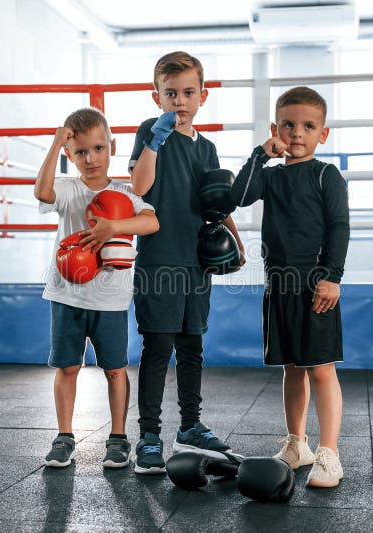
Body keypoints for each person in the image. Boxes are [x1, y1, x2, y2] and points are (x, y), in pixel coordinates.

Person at [128, 51, 246, 474]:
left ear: (203, 96)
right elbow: (139, 188)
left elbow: (216, 199)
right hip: (159, 260)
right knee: (158, 348)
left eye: (188, 92)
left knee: (192, 346)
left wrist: (234, 231)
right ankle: (148, 436)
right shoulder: (149, 131)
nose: (180, 100)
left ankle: (191, 426)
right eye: (171, 93)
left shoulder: (208, 147)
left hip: (195, 263)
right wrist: (155, 141)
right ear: (156, 95)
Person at [231, 86, 349, 488]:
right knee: (291, 370)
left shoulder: (325, 175)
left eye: (308, 126)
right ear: (275, 128)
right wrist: (260, 153)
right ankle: (298, 444)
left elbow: (339, 227)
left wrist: (332, 277)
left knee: (320, 369)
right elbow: (237, 196)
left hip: (315, 286)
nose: (297, 133)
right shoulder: (270, 176)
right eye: (288, 125)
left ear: (323, 134)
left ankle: (329, 451)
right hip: (278, 284)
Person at [34, 107, 159, 469]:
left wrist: (114, 227)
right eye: (81, 152)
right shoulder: (68, 189)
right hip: (67, 295)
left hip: (110, 299)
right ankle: (64, 436)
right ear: (71, 156)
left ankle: (118, 438)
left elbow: (151, 222)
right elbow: (42, 192)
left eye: (99, 149)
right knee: (68, 368)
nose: (91, 159)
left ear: (112, 146)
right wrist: (56, 142)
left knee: (116, 370)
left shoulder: (123, 192)